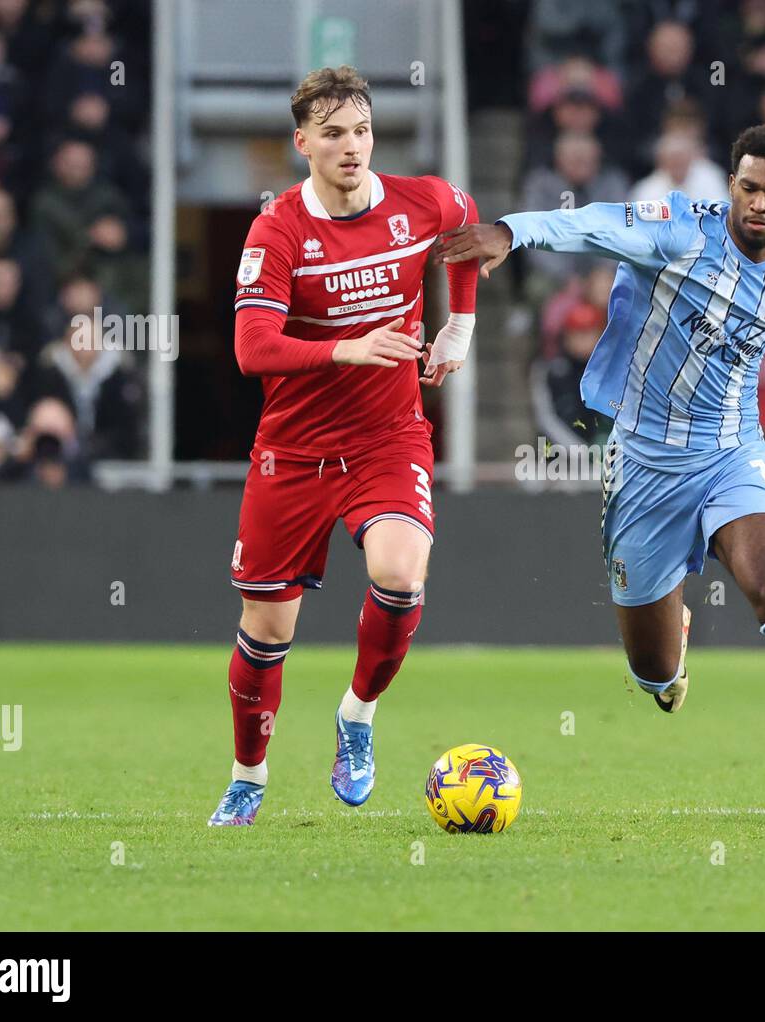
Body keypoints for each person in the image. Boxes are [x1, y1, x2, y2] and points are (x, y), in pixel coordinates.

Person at [438, 125, 765, 821]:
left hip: (732, 458)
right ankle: (670, 652)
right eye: (746, 186)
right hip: (644, 468)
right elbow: (592, 223)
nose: (756, 202)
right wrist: (514, 232)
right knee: (652, 673)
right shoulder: (679, 233)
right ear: (731, 185)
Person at [207, 66, 480, 827]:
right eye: (332, 134)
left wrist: (461, 321)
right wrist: (345, 350)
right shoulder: (278, 230)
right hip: (289, 454)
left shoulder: (419, 200)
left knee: (400, 575)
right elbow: (252, 347)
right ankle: (248, 777)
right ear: (303, 144)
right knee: (267, 634)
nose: (351, 146)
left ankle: (356, 718)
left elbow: (468, 228)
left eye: (360, 130)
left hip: (387, 439)